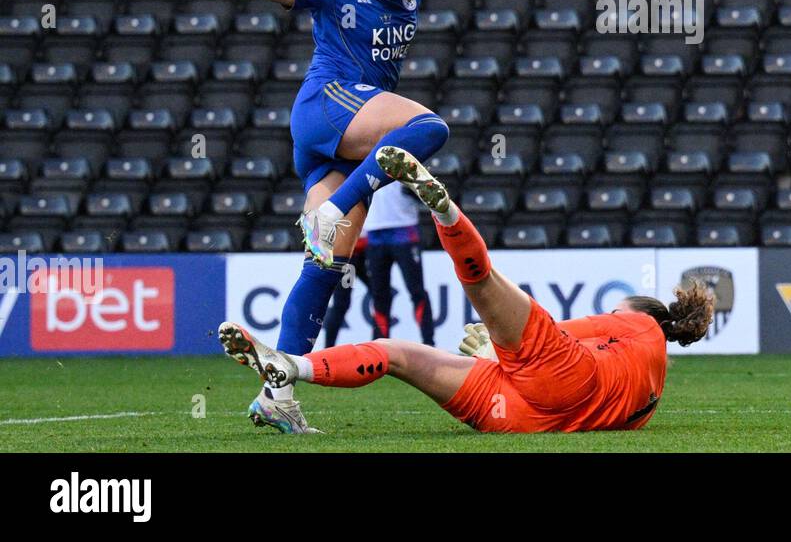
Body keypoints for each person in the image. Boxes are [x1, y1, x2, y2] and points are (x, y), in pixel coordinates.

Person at [130, 0, 538, 433]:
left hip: (339, 140)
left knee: (324, 268)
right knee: (430, 128)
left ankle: (276, 395)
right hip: (327, 106)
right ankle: (333, 210)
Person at [220, 146, 715, 433]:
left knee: (482, 284)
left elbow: (559, 332)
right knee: (396, 353)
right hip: (521, 418)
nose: (611, 313)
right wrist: (495, 354)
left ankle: (445, 211)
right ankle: (292, 367)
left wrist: (497, 341)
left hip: (562, 381)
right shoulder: (648, 390)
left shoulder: (639, 322)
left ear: (638, 312)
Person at [364, 180, 436, 345]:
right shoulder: (361, 156)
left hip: (404, 230)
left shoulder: (406, 155)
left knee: (416, 291)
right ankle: (379, 348)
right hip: (375, 232)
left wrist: (417, 192)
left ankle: (429, 344)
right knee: (379, 296)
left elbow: (428, 192)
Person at [322, 233, 370, 349]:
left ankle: (382, 346)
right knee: (341, 303)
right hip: (349, 256)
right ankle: (328, 349)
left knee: (382, 296)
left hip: (367, 251)